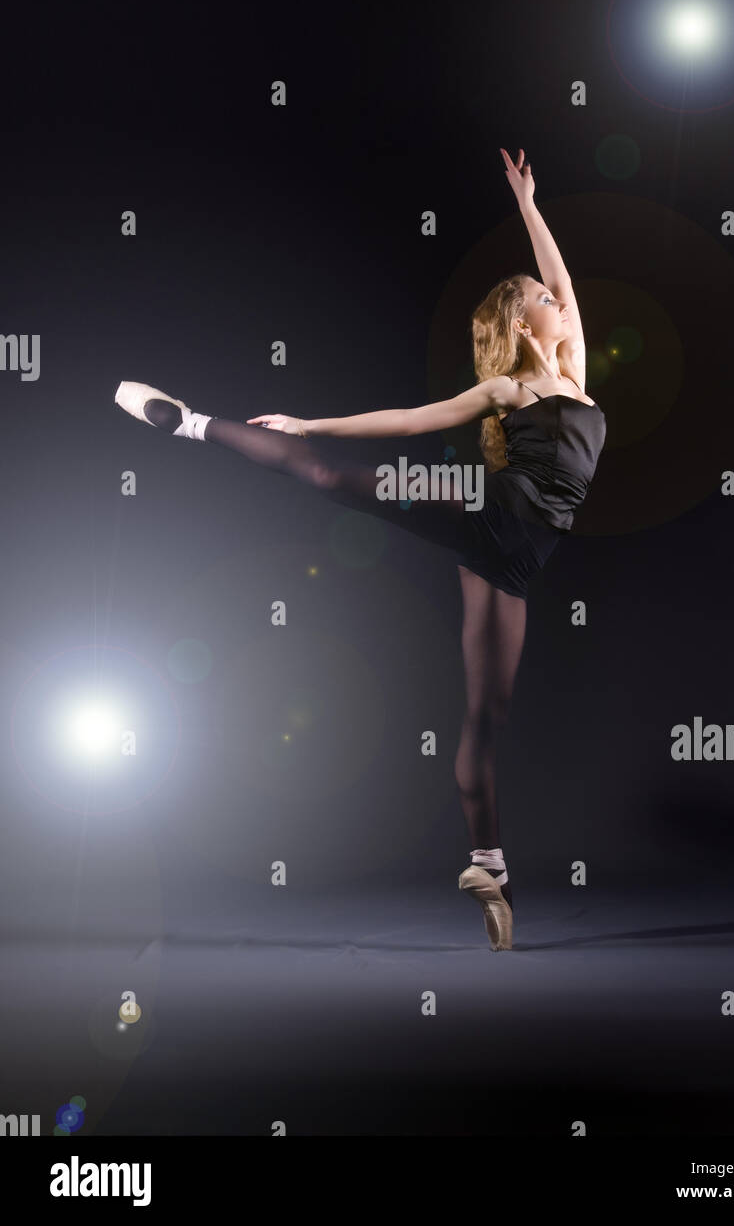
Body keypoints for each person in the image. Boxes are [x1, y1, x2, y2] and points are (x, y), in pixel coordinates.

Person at [114, 148, 606, 952]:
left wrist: (525, 202)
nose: (557, 296)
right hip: (480, 506)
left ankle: (490, 869)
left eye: (553, 294)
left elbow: (567, 278)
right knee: (330, 475)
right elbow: (416, 418)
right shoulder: (509, 390)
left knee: (487, 716)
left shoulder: (575, 374)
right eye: (542, 298)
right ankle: (196, 422)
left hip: (517, 560)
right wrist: (311, 422)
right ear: (524, 324)